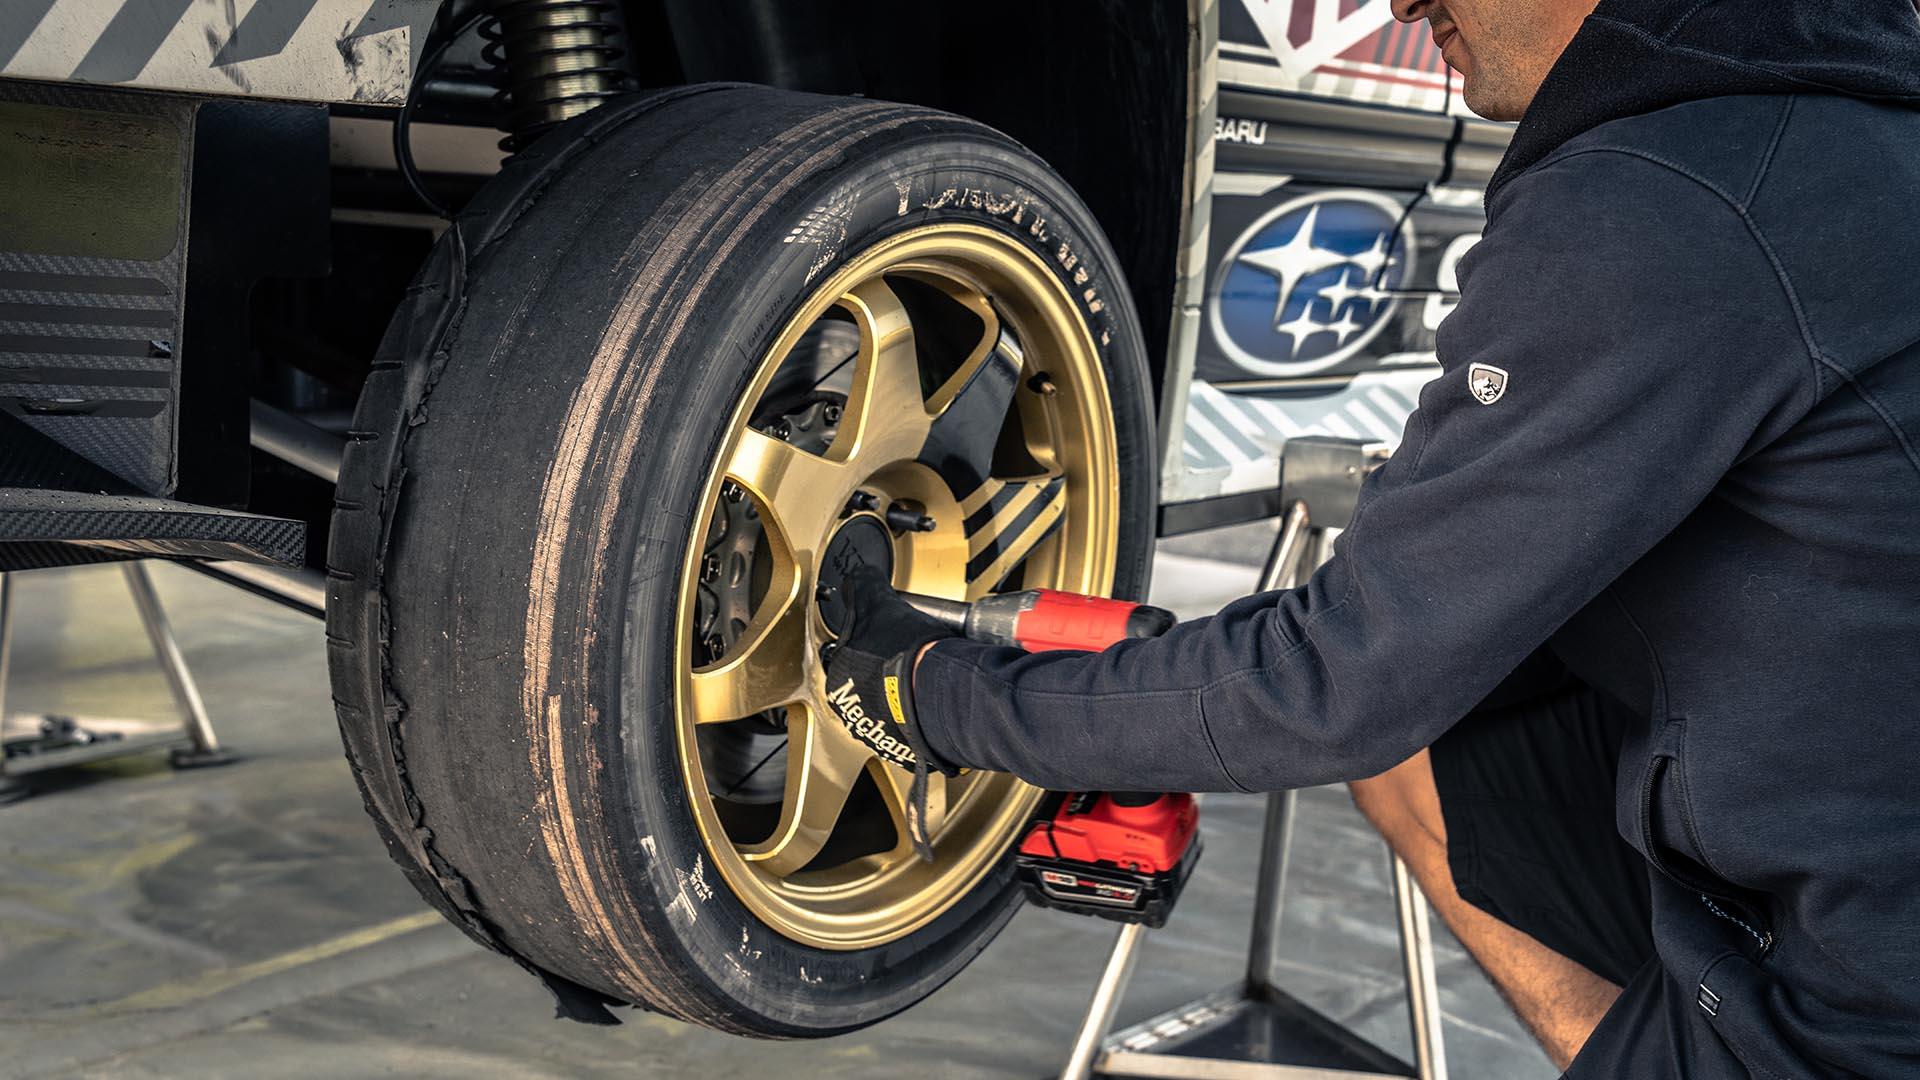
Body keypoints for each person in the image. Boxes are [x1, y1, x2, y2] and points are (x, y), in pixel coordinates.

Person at [826, 0, 1920, 1075]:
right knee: (1418, 737)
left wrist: (933, 693)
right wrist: (1139, 697)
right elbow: (1393, 660)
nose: (1400, 2)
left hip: (1866, 1023)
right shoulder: (1848, 133)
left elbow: (1335, 688)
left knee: (1374, 700)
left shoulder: (1668, 197)